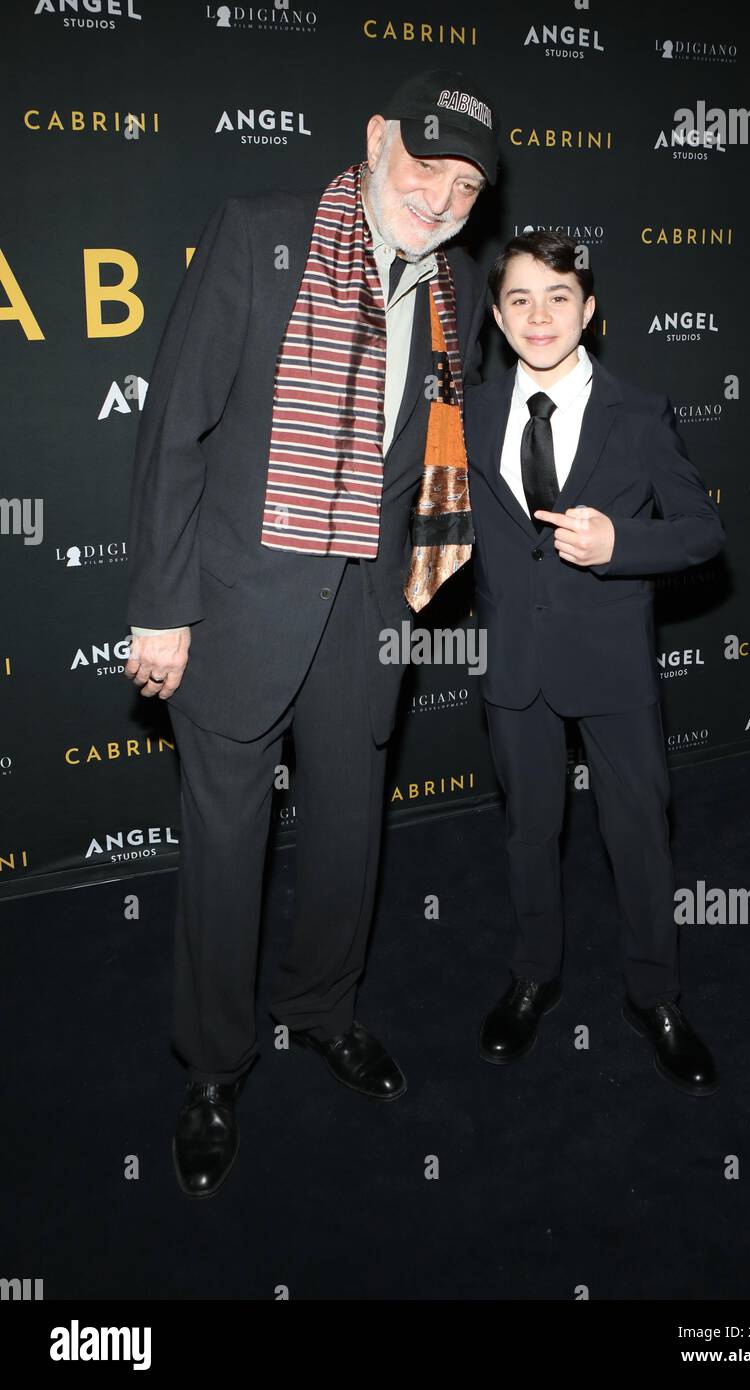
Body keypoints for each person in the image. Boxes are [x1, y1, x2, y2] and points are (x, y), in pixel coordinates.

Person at [123, 69, 498, 1196]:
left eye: (467, 186)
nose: (440, 198)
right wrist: (162, 606)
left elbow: (436, 448)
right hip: (237, 603)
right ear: (377, 140)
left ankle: (324, 1006)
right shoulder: (260, 234)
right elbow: (174, 430)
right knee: (225, 849)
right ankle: (212, 1066)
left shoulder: (457, 286)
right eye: (426, 165)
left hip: (370, 610)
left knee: (347, 829)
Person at [463, 231, 726, 1096]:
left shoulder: (640, 413)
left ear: (590, 310)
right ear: (498, 317)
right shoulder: (466, 415)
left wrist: (622, 545)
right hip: (513, 664)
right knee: (529, 830)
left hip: (612, 662)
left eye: (559, 297)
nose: (540, 317)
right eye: (520, 299)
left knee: (639, 833)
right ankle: (534, 975)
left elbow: (703, 532)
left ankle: (655, 995)